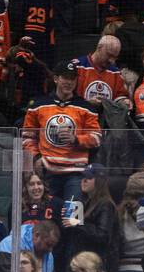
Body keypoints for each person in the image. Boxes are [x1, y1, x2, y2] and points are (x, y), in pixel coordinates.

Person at [20, 61, 102, 205]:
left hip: (76, 173)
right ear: (56, 78)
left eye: (72, 79)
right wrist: (36, 158)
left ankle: (74, 226)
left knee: (73, 218)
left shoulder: (86, 107)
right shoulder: (38, 105)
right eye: (65, 78)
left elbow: (96, 138)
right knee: (49, 216)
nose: (69, 82)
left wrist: (76, 139)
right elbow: (27, 137)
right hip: (48, 171)